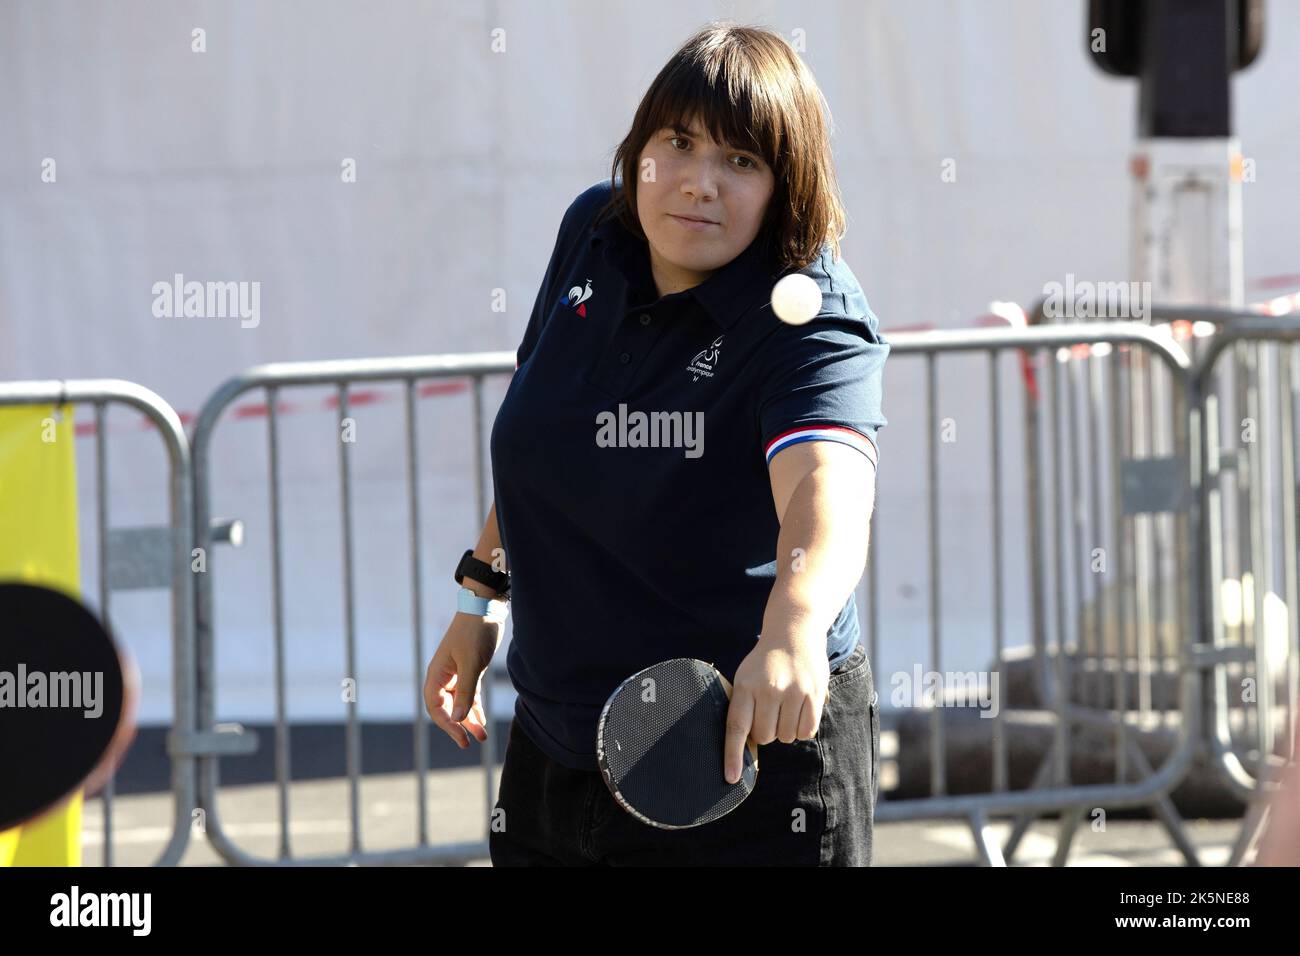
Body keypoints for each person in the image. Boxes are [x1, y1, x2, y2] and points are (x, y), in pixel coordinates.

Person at [424, 22, 889, 866]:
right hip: (556, 744)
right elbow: (543, 444)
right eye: (678, 144)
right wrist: (480, 599)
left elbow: (828, 489)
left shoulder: (809, 308)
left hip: (741, 755)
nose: (699, 182)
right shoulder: (591, 232)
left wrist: (792, 627)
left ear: (786, 186)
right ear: (638, 151)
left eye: (740, 160)